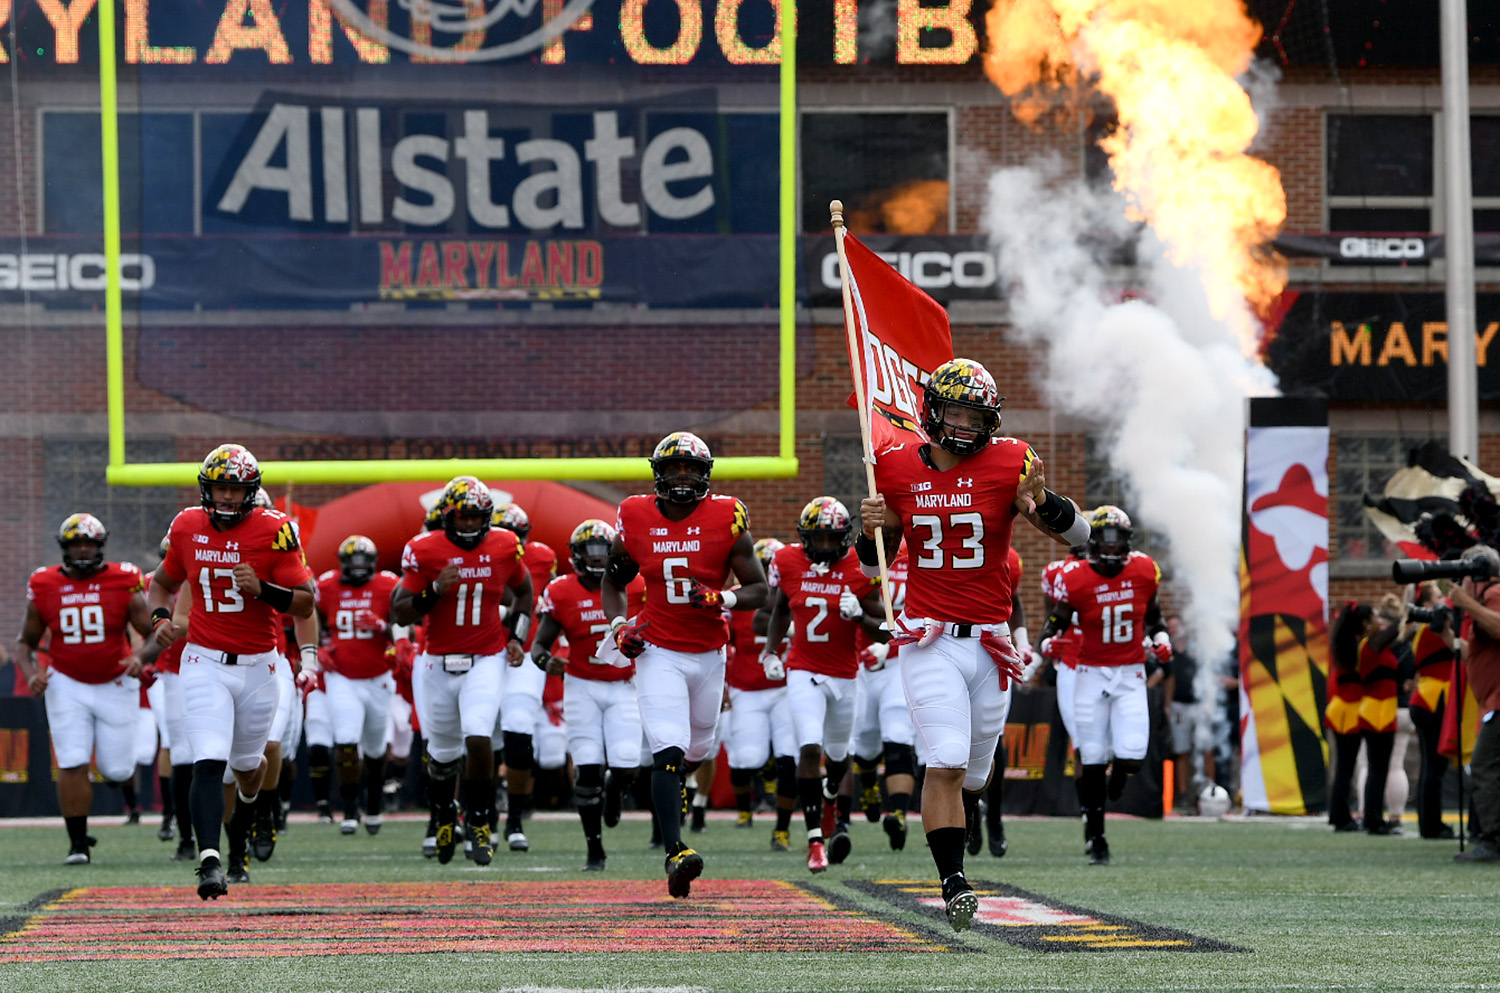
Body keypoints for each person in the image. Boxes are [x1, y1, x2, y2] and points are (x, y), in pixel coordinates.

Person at [859, 358, 1090, 932]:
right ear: (933, 412)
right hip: (929, 636)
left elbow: (1079, 537)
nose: (963, 424)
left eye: (973, 414)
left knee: (976, 775)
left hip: (989, 643)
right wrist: (871, 533)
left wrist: (1045, 503)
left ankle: (959, 834)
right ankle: (954, 881)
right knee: (946, 761)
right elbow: (871, 563)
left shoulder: (1012, 461)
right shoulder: (891, 467)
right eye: (955, 411)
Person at [601, 431, 767, 898]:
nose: (681, 477)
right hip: (658, 649)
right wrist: (618, 626)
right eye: (673, 468)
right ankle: (675, 850)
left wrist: (722, 596)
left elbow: (759, 588)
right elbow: (612, 581)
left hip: (709, 653)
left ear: (705, 474)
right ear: (657, 473)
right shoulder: (634, 516)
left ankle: (627, 781)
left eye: (690, 469)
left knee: (697, 752)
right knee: (670, 751)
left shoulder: (727, 517)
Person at [147, 444, 316, 899]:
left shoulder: (275, 530)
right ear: (206, 488)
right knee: (208, 759)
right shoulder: (186, 525)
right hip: (203, 660)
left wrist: (263, 589)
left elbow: (305, 601)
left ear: (251, 491)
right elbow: (162, 582)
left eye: (235, 489)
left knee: (246, 767)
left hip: (260, 665)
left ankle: (243, 827)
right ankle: (209, 861)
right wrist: (161, 619)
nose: (225, 497)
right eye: (219, 487)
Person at [391, 476, 532, 868]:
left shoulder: (504, 544)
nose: (469, 525)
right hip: (435, 660)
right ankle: (441, 818)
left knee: (479, 734)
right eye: (462, 517)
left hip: (486, 657)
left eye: (476, 517)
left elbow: (524, 591)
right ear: (447, 517)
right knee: (441, 756)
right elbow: (400, 609)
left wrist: (516, 638)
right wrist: (434, 589)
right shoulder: (426, 549)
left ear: (487, 517)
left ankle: (481, 820)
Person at [15, 513, 159, 865]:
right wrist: (33, 671)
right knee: (72, 760)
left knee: (118, 771)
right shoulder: (44, 583)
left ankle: (113, 785)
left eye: (89, 544)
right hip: (65, 681)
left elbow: (153, 632)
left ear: (100, 546)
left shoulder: (124, 578)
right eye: (76, 544)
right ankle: (77, 842)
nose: (82, 550)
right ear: (64, 548)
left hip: (116, 680)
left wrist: (140, 656)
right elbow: (25, 643)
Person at [763, 496, 886, 873]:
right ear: (805, 537)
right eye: (819, 538)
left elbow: (886, 625)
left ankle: (831, 797)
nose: (826, 546)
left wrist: (859, 614)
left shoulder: (861, 567)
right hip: (803, 668)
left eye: (833, 539)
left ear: (845, 538)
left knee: (838, 756)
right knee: (809, 746)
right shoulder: (786, 561)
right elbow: (780, 607)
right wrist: (771, 651)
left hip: (845, 673)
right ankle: (816, 840)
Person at [1042, 505, 1168, 866]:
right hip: (1084, 669)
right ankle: (1095, 834)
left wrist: (1160, 637)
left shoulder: (1144, 570)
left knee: (1131, 753)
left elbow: (1155, 615)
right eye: (1104, 541)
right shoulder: (1070, 575)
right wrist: (1047, 642)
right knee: (1090, 752)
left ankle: (1117, 781)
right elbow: (1056, 617)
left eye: (1118, 541)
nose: (1111, 548)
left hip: (1128, 670)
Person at [530, 519, 646, 871]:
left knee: (627, 766)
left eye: (602, 552)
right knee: (587, 768)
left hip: (624, 683)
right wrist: (546, 661)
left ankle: (615, 791)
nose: (596, 559)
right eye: (589, 552)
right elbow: (539, 646)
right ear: (577, 555)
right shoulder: (561, 591)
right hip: (581, 685)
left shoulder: (637, 584)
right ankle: (595, 850)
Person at [315, 535, 399, 835]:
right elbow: (311, 618)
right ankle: (350, 809)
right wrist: (317, 648)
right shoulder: (327, 587)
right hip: (342, 676)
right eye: (353, 561)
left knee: (376, 750)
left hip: (378, 677)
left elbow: (407, 627)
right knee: (346, 741)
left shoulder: (387, 586)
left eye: (364, 561)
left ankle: (373, 803)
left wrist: (383, 626)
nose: (359, 567)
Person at [492, 501, 557, 852]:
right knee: (481, 736)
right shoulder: (475, 553)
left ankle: (515, 819)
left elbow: (523, 600)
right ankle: (484, 815)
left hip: (524, 654)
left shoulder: (541, 557)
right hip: (484, 653)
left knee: (518, 731)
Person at [723, 537, 796, 848]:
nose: (768, 575)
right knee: (746, 757)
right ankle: (744, 811)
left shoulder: (795, 596)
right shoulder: (741, 599)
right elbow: (724, 647)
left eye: (772, 568)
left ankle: (781, 829)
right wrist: (724, 686)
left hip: (785, 689)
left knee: (789, 757)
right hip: (746, 688)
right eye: (764, 567)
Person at [850, 543, 915, 853]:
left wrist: (890, 645)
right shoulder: (862, 564)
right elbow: (861, 606)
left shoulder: (923, 565)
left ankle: (899, 812)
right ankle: (870, 786)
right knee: (864, 742)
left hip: (903, 662)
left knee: (898, 736)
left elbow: (927, 615)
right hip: (865, 662)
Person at [1439, 545, 1500, 862]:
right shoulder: (1483, 600)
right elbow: (1470, 654)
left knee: (1484, 766)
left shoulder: (1495, 592)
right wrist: (1447, 634)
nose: (1459, 585)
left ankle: (1492, 841)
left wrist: (1467, 605)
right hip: (1492, 702)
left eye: (1463, 577)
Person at [1325, 599, 1401, 833]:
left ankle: (1340, 815)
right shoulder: (1363, 645)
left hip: (1343, 706)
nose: (1379, 621)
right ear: (1366, 623)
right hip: (1351, 708)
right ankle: (1344, 817)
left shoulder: (1345, 642)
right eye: (1375, 617)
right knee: (1348, 766)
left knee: (1344, 767)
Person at [1404, 582, 1457, 839]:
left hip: (1426, 698)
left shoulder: (1421, 630)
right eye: (1438, 596)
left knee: (1430, 766)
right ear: (1426, 606)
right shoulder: (1430, 629)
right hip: (1433, 698)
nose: (1443, 599)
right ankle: (1432, 825)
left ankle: (1429, 823)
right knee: (1435, 767)